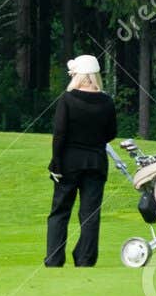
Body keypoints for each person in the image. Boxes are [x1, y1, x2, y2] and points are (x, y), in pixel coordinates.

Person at [46, 54, 117, 267]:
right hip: (96, 162)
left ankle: (54, 258)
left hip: (68, 163)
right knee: (90, 214)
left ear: (77, 75)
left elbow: (60, 133)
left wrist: (55, 162)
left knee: (60, 211)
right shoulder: (106, 101)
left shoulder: (67, 99)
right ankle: (85, 259)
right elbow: (111, 133)